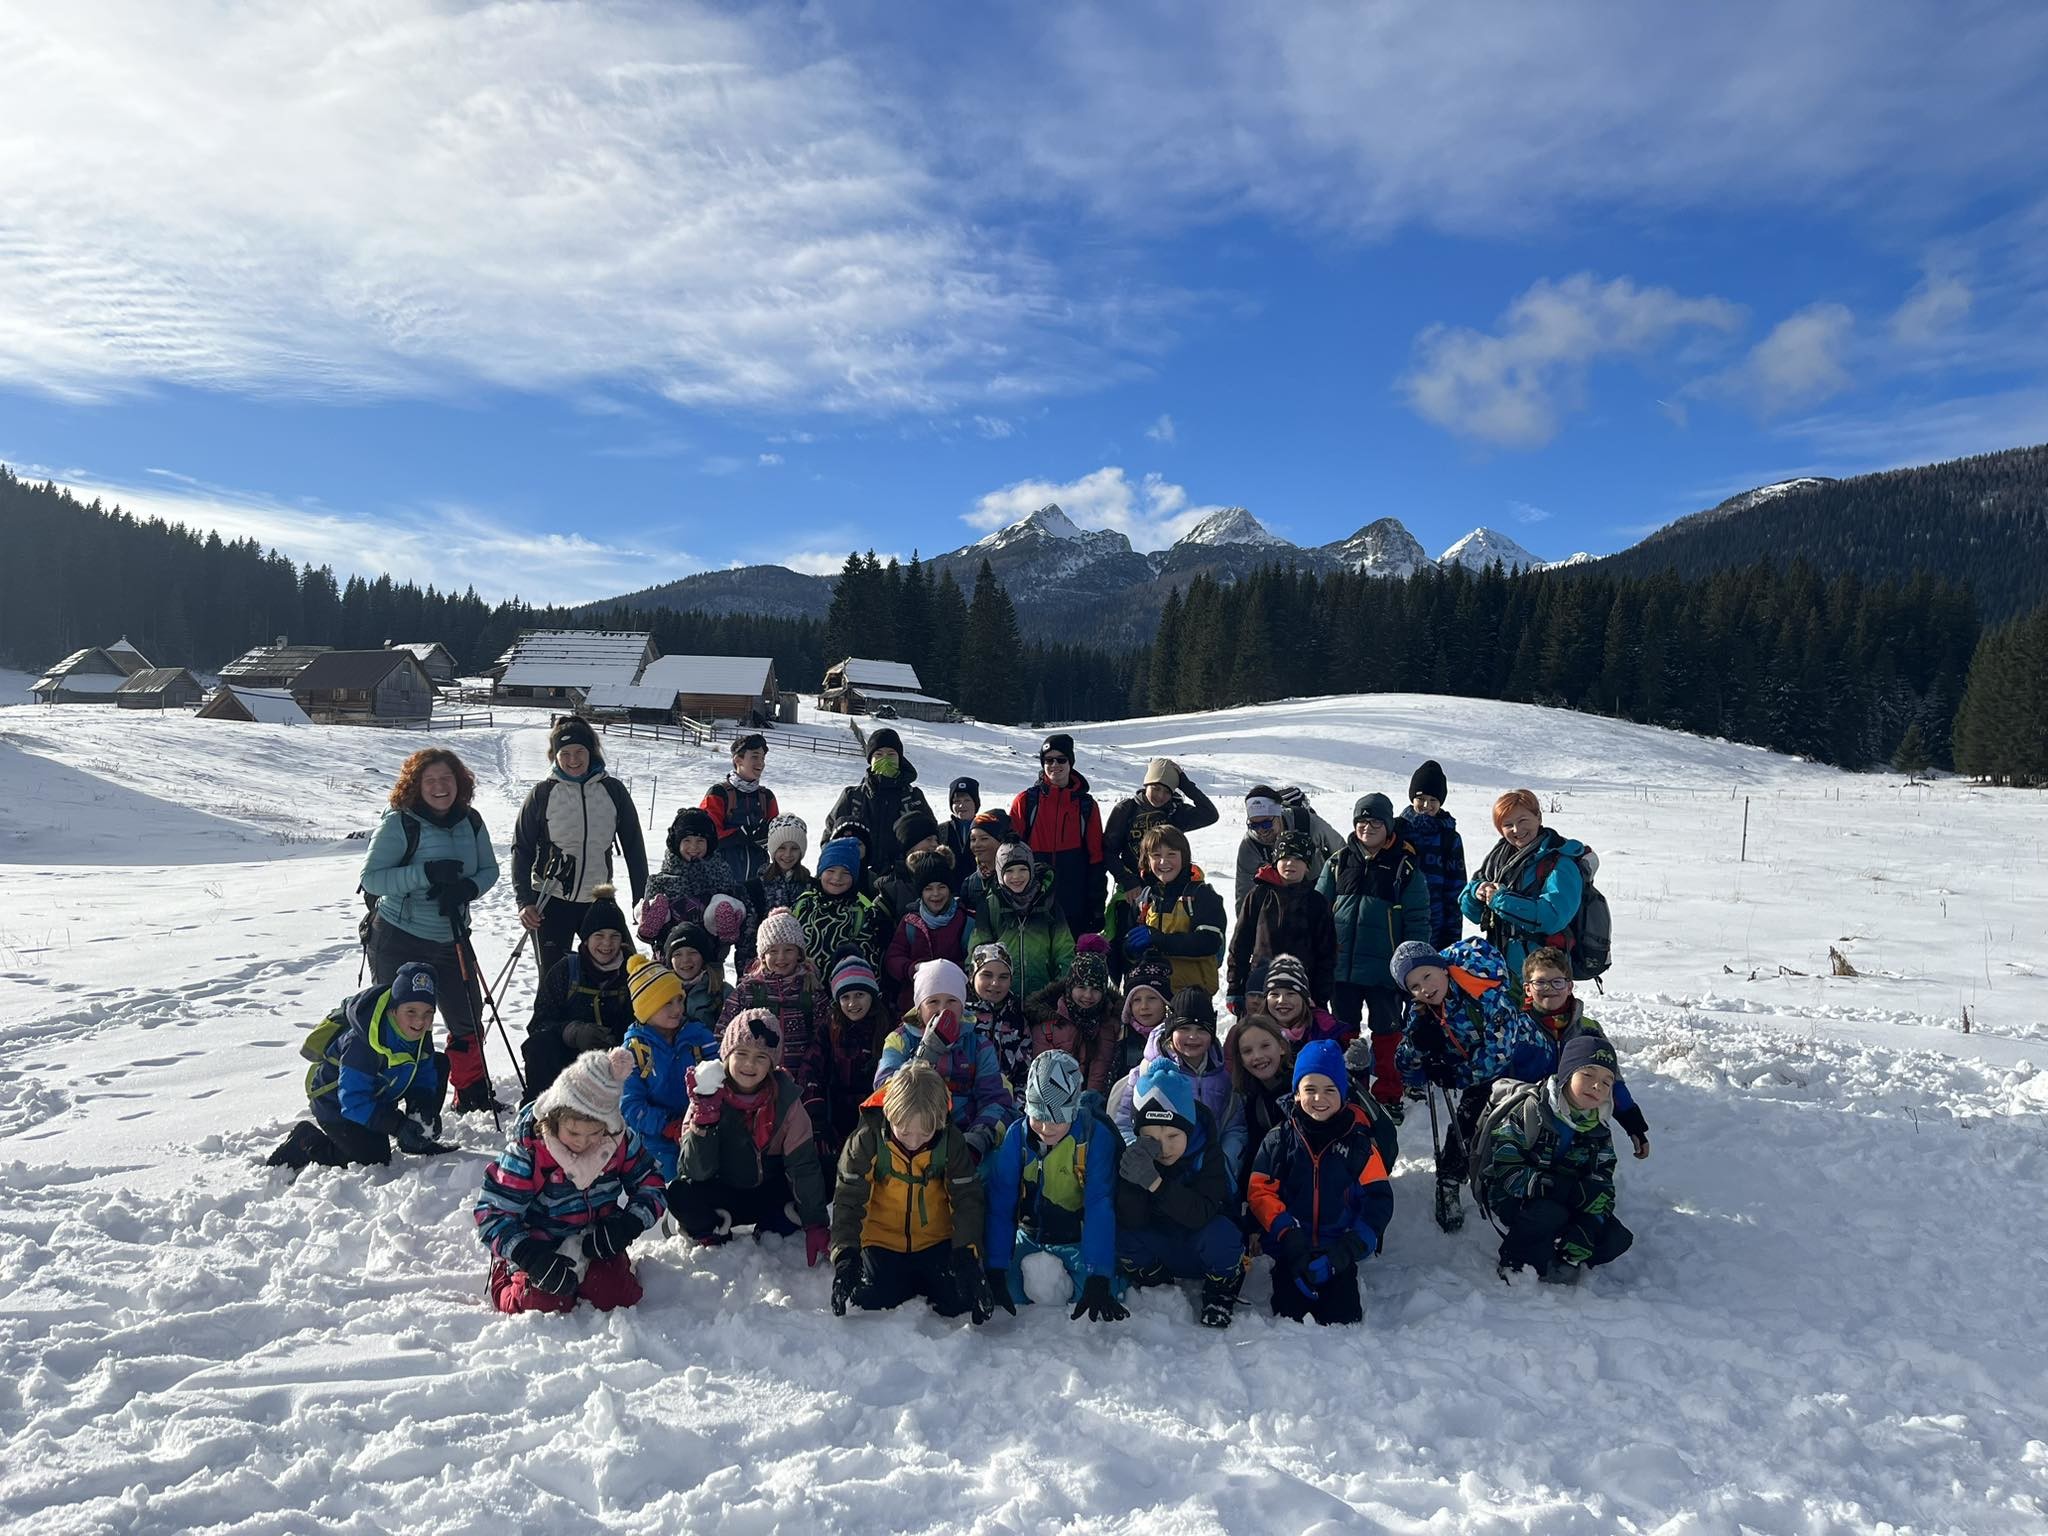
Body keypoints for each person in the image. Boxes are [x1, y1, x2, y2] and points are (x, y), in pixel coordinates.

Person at [473, 1048, 668, 1314]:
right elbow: (492, 1214)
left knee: (615, 1297)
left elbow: (651, 1183)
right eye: (573, 1132)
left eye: (594, 1134)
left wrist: (627, 1225)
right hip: (540, 1247)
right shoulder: (530, 1153)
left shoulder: (618, 1142)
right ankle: (504, 1278)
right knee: (543, 1305)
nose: (583, 1142)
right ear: (554, 1119)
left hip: (596, 1241)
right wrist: (527, 1254)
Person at [359, 746, 500, 1113]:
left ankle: (471, 1091)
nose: (440, 786)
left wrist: (467, 889)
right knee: (399, 1020)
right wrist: (425, 874)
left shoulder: (471, 822)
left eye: (447, 778)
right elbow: (372, 878)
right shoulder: (400, 822)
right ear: (415, 785)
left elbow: (490, 870)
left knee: (466, 1016)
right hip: (399, 937)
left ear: (460, 783)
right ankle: (389, 1096)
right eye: (430, 779)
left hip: (452, 936)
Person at [1391, 937, 1544, 1234]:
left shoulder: (1484, 992)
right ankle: (1449, 1181)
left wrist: (1455, 1074)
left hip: (1530, 1065)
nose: (1424, 988)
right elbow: (1405, 1068)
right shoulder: (1423, 1010)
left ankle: (1527, 1180)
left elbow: (1499, 1053)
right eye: (1413, 986)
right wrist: (1417, 1044)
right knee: (1468, 1120)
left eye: (1427, 975)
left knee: (1528, 1123)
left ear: (1443, 969)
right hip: (1482, 1073)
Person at [829, 1061, 993, 1323]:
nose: (914, 1141)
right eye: (905, 1132)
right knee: (873, 1299)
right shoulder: (866, 1141)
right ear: (889, 1115)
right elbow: (848, 1200)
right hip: (882, 1240)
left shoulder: (950, 1143)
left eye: (925, 1132)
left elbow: (967, 1199)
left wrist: (967, 1254)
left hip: (935, 1240)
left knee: (957, 1302)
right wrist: (846, 1255)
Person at [1246, 1040, 1393, 1325]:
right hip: (1291, 1245)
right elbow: (1260, 1190)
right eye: (1309, 1089)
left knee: (1344, 1317)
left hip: (1339, 1247)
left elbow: (1379, 1200)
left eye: (1329, 1090)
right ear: (1297, 1093)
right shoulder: (1280, 1139)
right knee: (1290, 1315)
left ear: (1343, 1093)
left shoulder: (1359, 1144)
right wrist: (1286, 1233)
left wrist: (1350, 1246)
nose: (1318, 1099)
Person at [672, 1008, 830, 1264]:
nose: (749, 1064)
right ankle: (711, 1229)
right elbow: (694, 1171)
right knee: (680, 1192)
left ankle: (778, 1219)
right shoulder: (707, 1095)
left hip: (768, 1189)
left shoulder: (786, 1100)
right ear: (727, 1055)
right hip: (724, 1192)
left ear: (772, 1063)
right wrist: (706, 1120)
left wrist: (816, 1224)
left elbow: (803, 1166)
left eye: (760, 1057)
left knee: (826, 1170)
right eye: (742, 1054)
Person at [1477, 1035, 1633, 1285]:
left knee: (1615, 1238)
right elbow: (1507, 1171)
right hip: (1515, 1197)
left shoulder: (1599, 1128)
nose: (1597, 1086)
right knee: (1548, 1214)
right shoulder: (1529, 1110)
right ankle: (1517, 1264)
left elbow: (1602, 1183)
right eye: (1588, 1075)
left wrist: (1590, 1223)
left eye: (1607, 1082)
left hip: (1567, 1199)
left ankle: (1565, 1250)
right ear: (1568, 1072)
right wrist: (1563, 1190)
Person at [982, 1052, 1127, 1321]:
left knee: (1092, 1296)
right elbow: (1001, 1204)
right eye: (1038, 1116)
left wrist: (1099, 1274)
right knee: (1010, 1296)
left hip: (1077, 1238)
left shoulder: (1093, 1138)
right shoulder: (1018, 1136)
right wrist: (996, 1266)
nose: (1046, 1128)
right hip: (1030, 1234)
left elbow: (1099, 1205)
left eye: (1058, 1118)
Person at [267, 962, 451, 1171]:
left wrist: (423, 1110)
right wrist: (397, 1125)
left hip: (377, 1094)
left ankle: (416, 1139)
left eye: (428, 1013)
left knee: (439, 1063)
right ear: (393, 1010)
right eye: (411, 1011)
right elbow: (353, 1100)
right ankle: (306, 1141)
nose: (420, 1021)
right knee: (374, 1157)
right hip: (335, 1103)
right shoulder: (361, 1043)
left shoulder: (419, 1035)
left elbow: (423, 1075)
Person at [512, 716, 649, 981]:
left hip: (598, 899)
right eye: (565, 754)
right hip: (550, 901)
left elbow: (634, 847)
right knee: (554, 979)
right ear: (555, 756)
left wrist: (640, 900)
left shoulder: (613, 791)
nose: (573, 760)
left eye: (579, 752)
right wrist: (524, 901)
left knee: (624, 971)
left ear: (591, 752)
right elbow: (522, 849)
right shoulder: (542, 794)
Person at [1113, 1060, 1246, 1328]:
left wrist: (1156, 1184)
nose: (1164, 1147)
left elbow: (1202, 1213)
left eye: (1173, 1135)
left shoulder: (1207, 1152)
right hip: (1161, 1244)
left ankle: (1221, 1288)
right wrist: (1132, 1181)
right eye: (1152, 1137)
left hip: (1199, 1241)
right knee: (1120, 1233)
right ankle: (1157, 1282)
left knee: (1223, 1234)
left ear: (1188, 1127)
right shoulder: (1137, 1157)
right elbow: (1132, 1219)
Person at [1318, 793, 1429, 1113]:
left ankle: (1388, 1095)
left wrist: (1414, 967)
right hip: (1343, 969)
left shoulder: (1405, 868)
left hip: (1386, 971)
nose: (1368, 828)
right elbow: (1318, 911)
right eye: (1362, 821)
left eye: (1376, 822)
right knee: (1343, 1032)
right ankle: (1348, 1088)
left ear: (1389, 825)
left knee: (1387, 1034)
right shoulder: (1338, 862)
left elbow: (1418, 921)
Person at [872, 958, 1014, 1165]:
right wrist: (926, 1054)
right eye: (933, 1001)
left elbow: (996, 1100)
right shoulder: (899, 1040)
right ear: (919, 1007)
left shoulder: (978, 1045)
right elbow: (883, 1092)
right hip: (912, 1139)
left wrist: (979, 1138)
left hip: (965, 1138)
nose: (942, 1009)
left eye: (951, 1001)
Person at [1517, 947, 1650, 1159]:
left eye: (1557, 982)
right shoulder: (1516, 1027)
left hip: (1574, 1112)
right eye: (1540, 982)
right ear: (1527, 989)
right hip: (1524, 1111)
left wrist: (1633, 1125)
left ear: (1569, 986)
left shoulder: (1588, 1030)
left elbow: (1610, 1079)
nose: (1549, 988)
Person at [1109, 986, 1245, 1183]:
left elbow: (1234, 1126)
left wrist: (1223, 1163)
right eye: (1184, 1028)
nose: (1192, 1036)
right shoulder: (1147, 1073)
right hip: (1156, 1170)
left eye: (1201, 1030)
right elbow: (1122, 1121)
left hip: (1206, 1173)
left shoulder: (1222, 1077)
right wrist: (1141, 1160)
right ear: (1170, 1029)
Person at [1460, 789, 1588, 986]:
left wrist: (1500, 901)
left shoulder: (1560, 862)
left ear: (1538, 817)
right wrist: (1476, 893)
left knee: (1541, 1017)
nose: (1516, 830)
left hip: (1544, 972)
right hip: (1499, 965)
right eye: (1507, 824)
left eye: (1523, 821)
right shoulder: (1498, 859)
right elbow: (1473, 913)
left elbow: (1553, 916)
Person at [522, 884, 636, 1102]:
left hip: (619, 1060)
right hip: (568, 1062)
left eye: (614, 936)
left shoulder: (633, 971)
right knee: (539, 1045)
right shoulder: (565, 970)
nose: (606, 944)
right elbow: (538, 1024)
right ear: (585, 938)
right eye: (599, 935)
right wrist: (572, 1032)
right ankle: (539, 1113)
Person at [719, 908, 831, 1126]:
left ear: (799, 953)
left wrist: (813, 1074)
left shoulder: (811, 990)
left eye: (788, 950)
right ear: (762, 955)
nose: (781, 958)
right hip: (754, 1080)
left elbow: (825, 1036)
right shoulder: (748, 991)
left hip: (802, 1081)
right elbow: (724, 1034)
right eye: (773, 951)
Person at [619, 954, 721, 1183]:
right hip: (656, 1138)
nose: (677, 1009)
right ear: (646, 1009)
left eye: (679, 1000)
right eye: (667, 1003)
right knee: (672, 1183)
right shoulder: (634, 1051)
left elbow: (720, 1074)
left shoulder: (699, 1036)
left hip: (702, 1126)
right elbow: (630, 1106)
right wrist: (667, 1125)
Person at [1227, 830, 1337, 1014]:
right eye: (1284, 857)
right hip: (1261, 985)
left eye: (1297, 858)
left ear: (1308, 865)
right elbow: (1240, 944)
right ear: (1275, 861)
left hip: (1303, 989)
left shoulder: (1316, 902)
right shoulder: (1259, 895)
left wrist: (1320, 997)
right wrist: (1235, 988)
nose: (1289, 863)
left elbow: (1327, 953)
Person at [1009, 733, 1108, 936]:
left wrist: (1096, 904)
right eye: (1049, 760)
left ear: (1070, 762)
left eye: (1061, 759)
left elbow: (1096, 857)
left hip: (1074, 901)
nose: (1055, 765)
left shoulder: (1086, 805)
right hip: (1032, 900)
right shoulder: (1026, 801)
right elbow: (1009, 852)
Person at [1119, 825, 1226, 998]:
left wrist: (1158, 940)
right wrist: (1130, 950)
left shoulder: (1202, 895)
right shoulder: (1145, 899)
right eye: (1156, 855)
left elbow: (1209, 942)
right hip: (1150, 998)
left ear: (1184, 857)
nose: (1163, 862)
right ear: (1147, 860)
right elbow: (1126, 949)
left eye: (1171, 854)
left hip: (1192, 998)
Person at [638, 807, 751, 954]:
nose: (693, 847)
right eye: (687, 840)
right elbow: (646, 922)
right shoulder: (660, 881)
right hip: (669, 956)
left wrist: (733, 924)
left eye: (700, 841)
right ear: (676, 843)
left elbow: (744, 911)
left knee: (723, 903)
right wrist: (648, 928)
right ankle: (655, 921)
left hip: (710, 956)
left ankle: (725, 931)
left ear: (709, 843)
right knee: (654, 905)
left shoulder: (721, 875)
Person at [969, 843, 1075, 999]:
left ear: (1031, 870)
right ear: (999, 873)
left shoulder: (1048, 903)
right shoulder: (990, 905)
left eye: (1022, 870)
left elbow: (1064, 949)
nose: (1016, 877)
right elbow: (978, 950)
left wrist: (1059, 989)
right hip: (1001, 995)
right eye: (1009, 871)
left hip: (1043, 995)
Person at [825, 728, 934, 873]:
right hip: (855, 877)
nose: (885, 759)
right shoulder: (852, 796)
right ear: (870, 759)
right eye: (879, 754)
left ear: (899, 759)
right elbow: (829, 836)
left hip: (902, 879)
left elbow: (931, 837)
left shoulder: (914, 797)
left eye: (891, 754)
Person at [1102, 757, 1219, 892]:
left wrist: (1186, 785)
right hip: (1133, 889)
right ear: (1146, 785)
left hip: (1170, 888)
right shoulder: (1126, 809)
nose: (1160, 796)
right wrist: (1128, 881)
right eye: (1156, 788)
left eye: (1167, 791)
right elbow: (1108, 851)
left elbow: (1210, 814)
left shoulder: (1175, 811)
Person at [882, 847, 971, 1015]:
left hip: (956, 1006)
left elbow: (973, 960)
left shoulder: (965, 921)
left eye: (941, 887)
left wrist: (946, 970)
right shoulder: (910, 922)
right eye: (928, 888)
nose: (935, 894)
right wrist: (913, 968)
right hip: (915, 1006)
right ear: (920, 892)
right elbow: (893, 957)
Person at [1022, 943, 1121, 1094]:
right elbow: (1041, 1076)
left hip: (1099, 1106)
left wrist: (1093, 1104)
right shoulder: (1047, 1024)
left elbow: (1105, 1070)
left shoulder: (1111, 1023)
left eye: (1095, 989)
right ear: (1070, 986)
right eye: (1081, 987)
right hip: (1057, 1107)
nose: (1088, 995)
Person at [1394, 760, 1467, 950]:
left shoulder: (1449, 838)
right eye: (1421, 798)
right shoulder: (1397, 830)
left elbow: (1455, 892)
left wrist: (1452, 940)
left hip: (1435, 926)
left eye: (1433, 800)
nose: (1426, 805)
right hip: (1395, 923)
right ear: (1412, 798)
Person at [820, 950, 886, 1156]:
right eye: (845, 997)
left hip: (876, 1111)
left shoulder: (886, 1025)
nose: (852, 1003)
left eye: (860, 995)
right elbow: (813, 1064)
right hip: (838, 1111)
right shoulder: (831, 1027)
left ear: (872, 995)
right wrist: (816, 1108)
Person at [793, 837, 887, 975]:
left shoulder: (862, 910)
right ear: (820, 872)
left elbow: (869, 961)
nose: (837, 878)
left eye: (846, 873)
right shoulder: (804, 903)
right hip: (803, 988)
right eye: (830, 871)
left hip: (842, 990)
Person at [701, 732, 780, 885]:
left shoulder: (767, 796)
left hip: (758, 883)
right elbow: (706, 835)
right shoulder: (718, 793)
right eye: (755, 757)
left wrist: (768, 836)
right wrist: (738, 835)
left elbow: (777, 835)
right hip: (721, 881)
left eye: (763, 758)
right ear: (738, 760)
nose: (761, 763)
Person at [1234, 783, 1340, 895]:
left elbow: (1342, 852)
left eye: (1266, 824)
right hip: (1278, 898)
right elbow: (1244, 889)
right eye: (1254, 826)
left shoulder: (1307, 822)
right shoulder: (1251, 844)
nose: (1261, 831)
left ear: (1278, 815)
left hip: (1319, 887)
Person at [1258, 955, 1351, 1049]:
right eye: (1274, 994)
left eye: (1290, 994)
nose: (1282, 1000)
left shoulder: (1323, 1027)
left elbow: (1346, 1045)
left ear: (1305, 1000)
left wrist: (1356, 1056)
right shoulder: (1257, 1030)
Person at [875, 805, 945, 925]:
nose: (935, 844)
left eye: (936, 840)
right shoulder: (891, 886)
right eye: (928, 839)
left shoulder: (946, 873)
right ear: (910, 845)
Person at [748, 815, 813, 936]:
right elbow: (749, 933)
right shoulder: (755, 887)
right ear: (773, 850)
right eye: (781, 848)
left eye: (794, 848)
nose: (787, 854)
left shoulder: (812, 887)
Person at [661, 920, 729, 1027]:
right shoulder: (658, 992)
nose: (685, 960)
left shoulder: (722, 993)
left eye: (692, 953)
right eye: (677, 954)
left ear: (703, 957)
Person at [1116, 955, 1174, 1077]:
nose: (1144, 1006)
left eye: (1152, 998)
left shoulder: (1175, 1037)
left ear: (1165, 1002)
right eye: (1137, 1000)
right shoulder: (1121, 1036)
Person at [961, 808, 1013, 910]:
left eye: (984, 839)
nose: (977, 845)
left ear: (1001, 841)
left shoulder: (1019, 877)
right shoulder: (970, 884)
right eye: (973, 839)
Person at [942, 776, 981, 873]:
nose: (961, 805)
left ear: (975, 803)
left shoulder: (986, 829)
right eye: (956, 801)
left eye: (967, 800)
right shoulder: (942, 830)